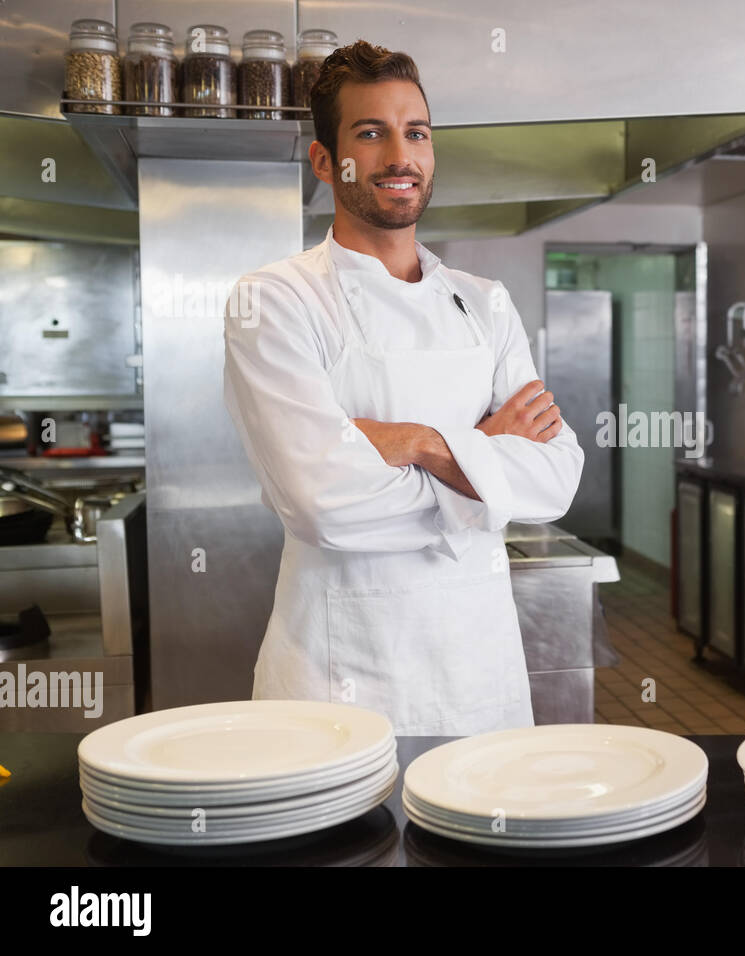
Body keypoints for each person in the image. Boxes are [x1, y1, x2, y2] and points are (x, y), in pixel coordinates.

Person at [222, 40, 583, 735]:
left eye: (415, 132)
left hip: (481, 677)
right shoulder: (275, 301)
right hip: (340, 682)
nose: (399, 155)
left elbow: (556, 480)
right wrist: (482, 454)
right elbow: (325, 507)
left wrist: (411, 446)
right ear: (325, 161)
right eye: (371, 132)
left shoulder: (486, 303)